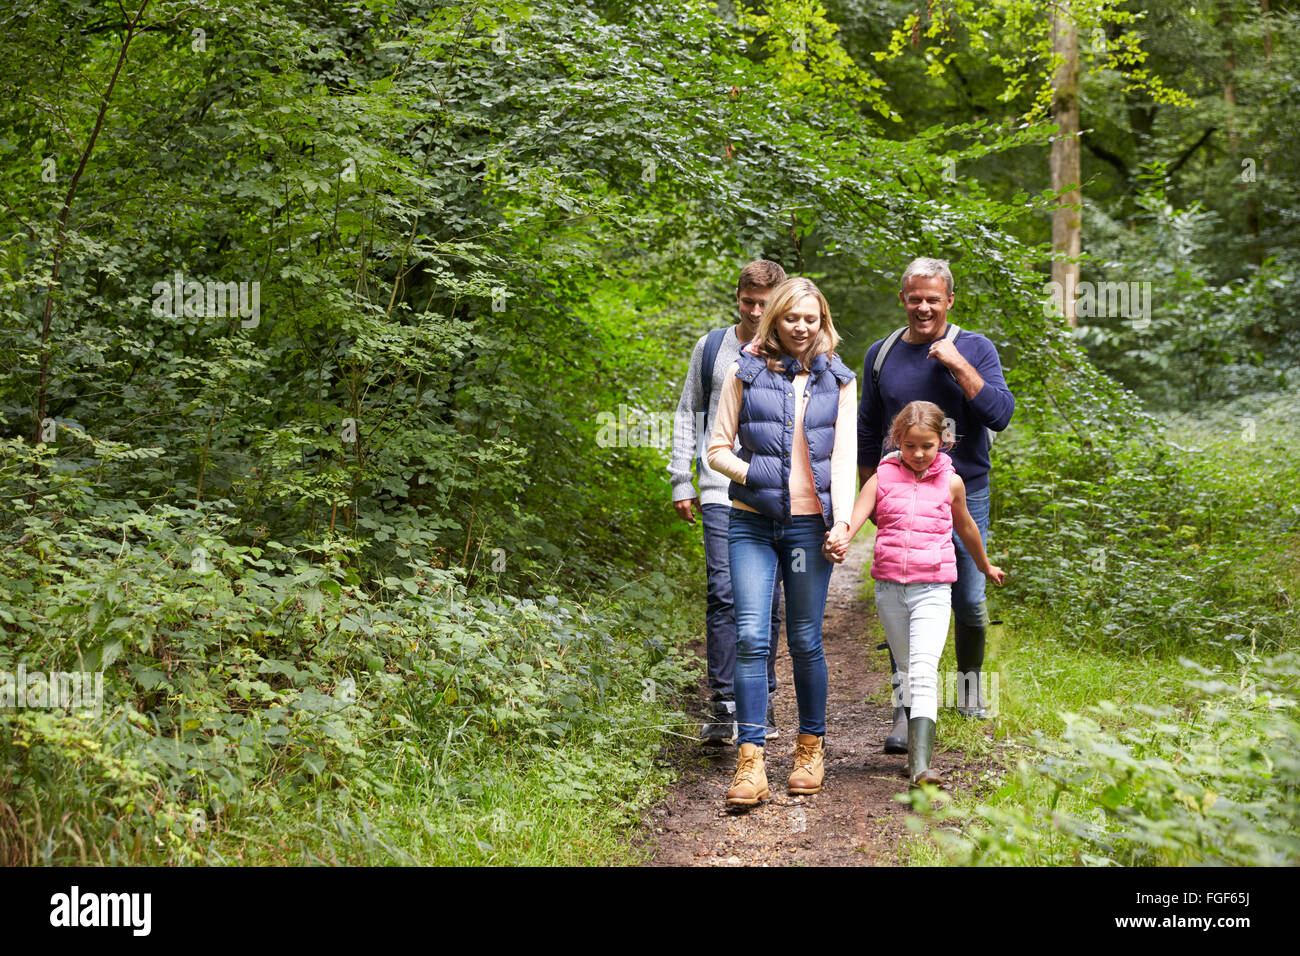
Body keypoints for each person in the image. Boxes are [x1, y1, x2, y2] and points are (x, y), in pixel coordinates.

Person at [706, 276, 856, 806]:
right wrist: (755, 476)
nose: (801, 327)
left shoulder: (839, 380)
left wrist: (841, 524)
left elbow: (841, 459)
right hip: (751, 522)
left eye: (811, 318)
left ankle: (809, 749)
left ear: (822, 322)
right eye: (792, 317)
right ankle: (750, 762)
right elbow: (717, 449)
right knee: (750, 636)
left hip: (809, 528)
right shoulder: (741, 372)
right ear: (775, 319)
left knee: (805, 638)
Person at [857, 258, 1014, 750]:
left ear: (949, 300)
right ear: (902, 299)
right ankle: (909, 711)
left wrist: (956, 363)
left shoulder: (976, 348)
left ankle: (968, 690)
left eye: (933, 298)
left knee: (967, 597)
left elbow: (1000, 415)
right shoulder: (881, 354)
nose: (923, 307)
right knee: (902, 601)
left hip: (962, 490)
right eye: (914, 298)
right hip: (901, 497)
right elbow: (866, 429)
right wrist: (873, 494)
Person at [826, 401, 1005, 786]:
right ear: (897, 442)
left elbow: (968, 528)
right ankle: (912, 759)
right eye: (910, 446)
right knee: (906, 671)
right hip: (890, 589)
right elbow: (854, 518)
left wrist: (985, 565)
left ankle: (922, 766)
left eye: (927, 445)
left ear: (944, 440)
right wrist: (839, 540)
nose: (919, 454)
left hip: (934, 588)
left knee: (923, 671)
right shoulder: (882, 479)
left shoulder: (952, 482)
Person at [669, 261, 786, 744]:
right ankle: (723, 703)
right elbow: (687, 413)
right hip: (720, 489)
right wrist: (682, 480)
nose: (756, 312)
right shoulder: (712, 347)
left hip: (776, 491)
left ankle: (763, 700)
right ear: (737, 297)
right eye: (748, 302)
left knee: (771, 601)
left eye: (765, 304)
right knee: (723, 593)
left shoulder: (795, 347)